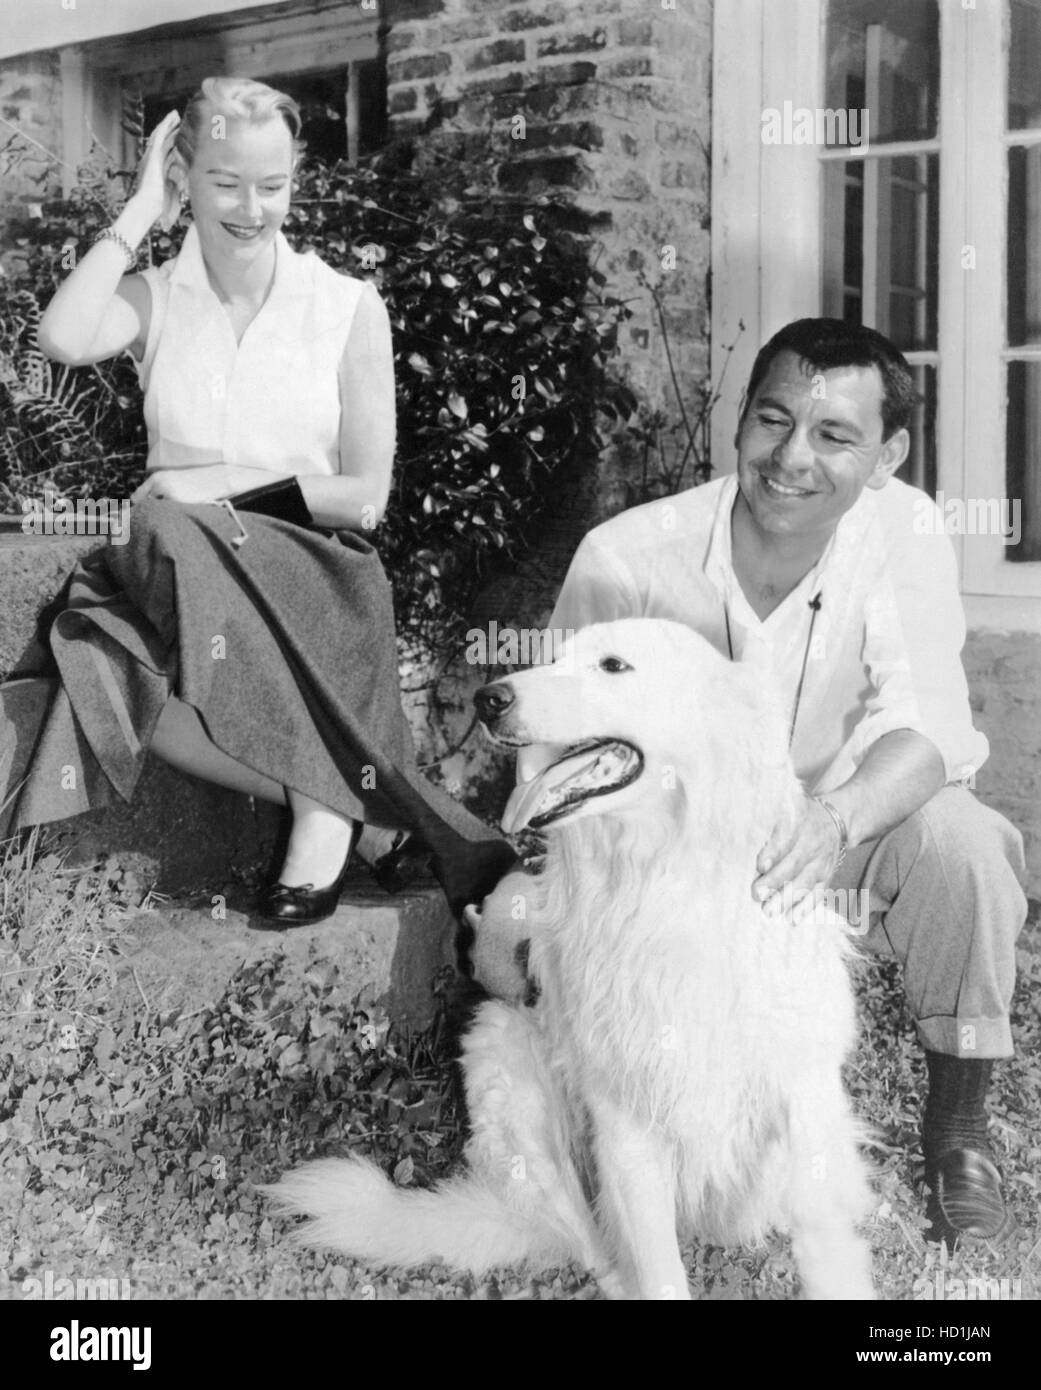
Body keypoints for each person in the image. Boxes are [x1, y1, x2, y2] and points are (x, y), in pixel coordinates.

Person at [472, 318, 1028, 1249]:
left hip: (842, 831)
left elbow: (924, 723)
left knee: (964, 847)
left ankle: (957, 1131)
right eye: (772, 421)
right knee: (524, 946)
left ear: (887, 454)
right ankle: (651, 1137)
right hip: (682, 855)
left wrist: (835, 817)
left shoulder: (904, 529)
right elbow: (559, 746)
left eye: (833, 436)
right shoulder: (626, 557)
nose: (790, 458)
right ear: (740, 420)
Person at [7, 76, 514, 923]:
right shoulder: (162, 296)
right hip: (181, 568)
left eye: (272, 186)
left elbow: (363, 498)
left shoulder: (346, 306)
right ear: (184, 178)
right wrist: (139, 215)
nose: (251, 208)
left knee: (165, 515)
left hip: (310, 570)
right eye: (223, 182)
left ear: (297, 181)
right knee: (126, 682)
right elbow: (61, 336)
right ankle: (350, 806)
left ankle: (322, 815)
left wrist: (211, 486)